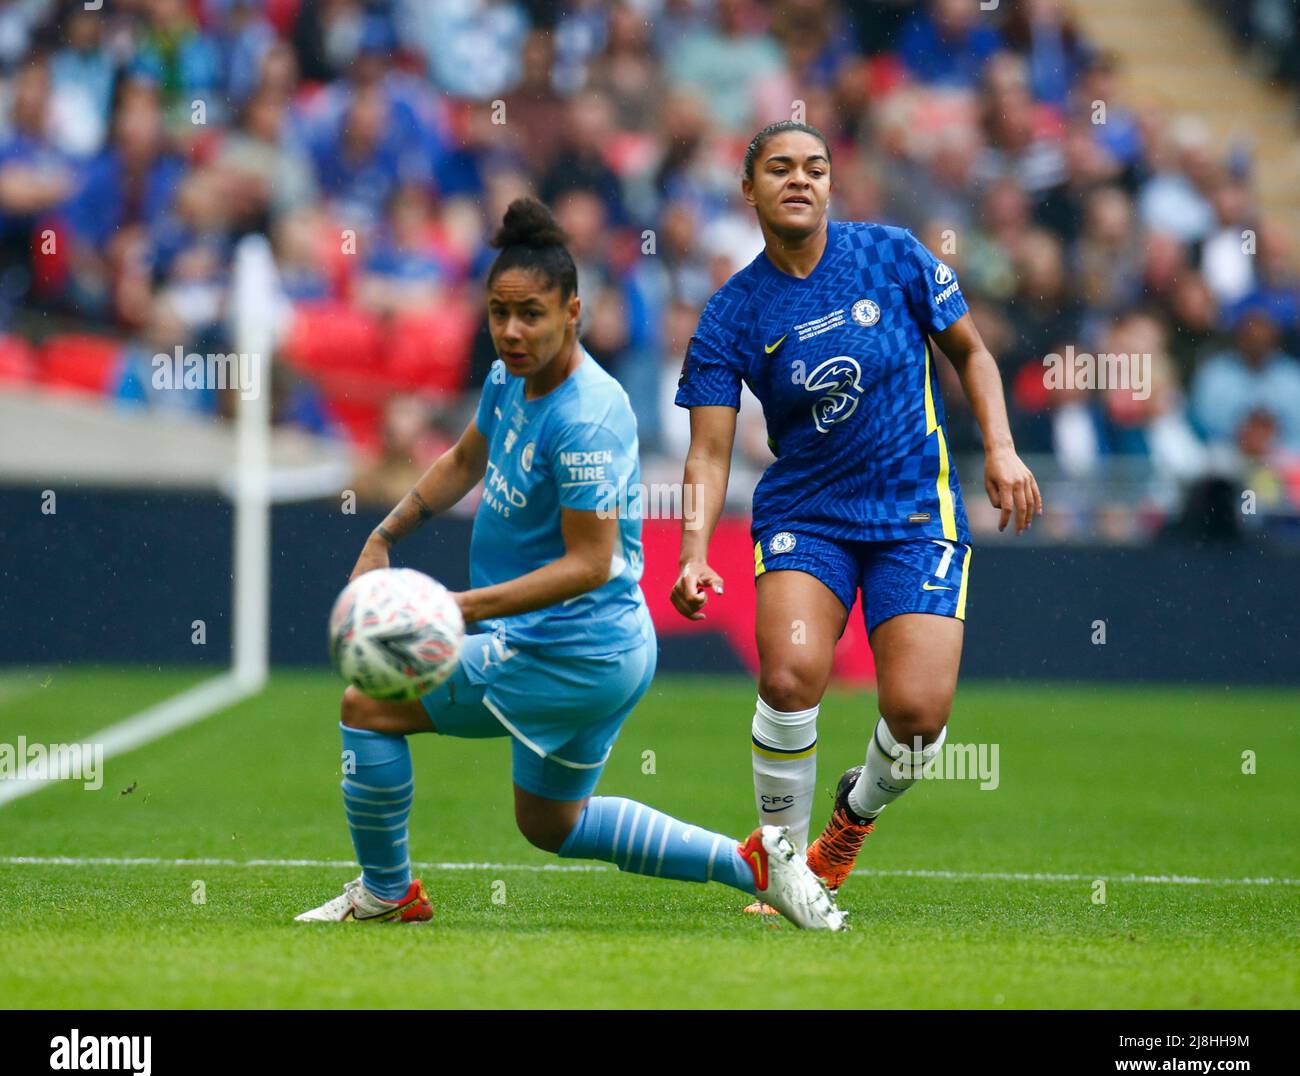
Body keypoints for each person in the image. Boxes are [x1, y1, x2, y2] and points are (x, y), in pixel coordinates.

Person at [297, 197, 843, 931]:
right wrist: (384, 535)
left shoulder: (587, 414)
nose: (512, 331)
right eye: (498, 312)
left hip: (566, 649)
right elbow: (466, 457)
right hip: (595, 648)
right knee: (551, 822)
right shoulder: (507, 380)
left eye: (531, 314)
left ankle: (388, 893)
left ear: (574, 312)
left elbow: (593, 562)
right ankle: (754, 863)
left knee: (367, 705)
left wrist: (457, 609)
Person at [671, 122, 1041, 908]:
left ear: (831, 183)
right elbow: (708, 453)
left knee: (916, 713)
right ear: (749, 189)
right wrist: (693, 550)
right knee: (790, 674)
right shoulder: (732, 313)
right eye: (779, 168)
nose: (799, 179)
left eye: (815, 166)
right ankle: (784, 871)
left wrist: (1001, 449)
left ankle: (851, 820)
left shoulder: (894, 254)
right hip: (808, 515)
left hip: (917, 511)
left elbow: (971, 352)